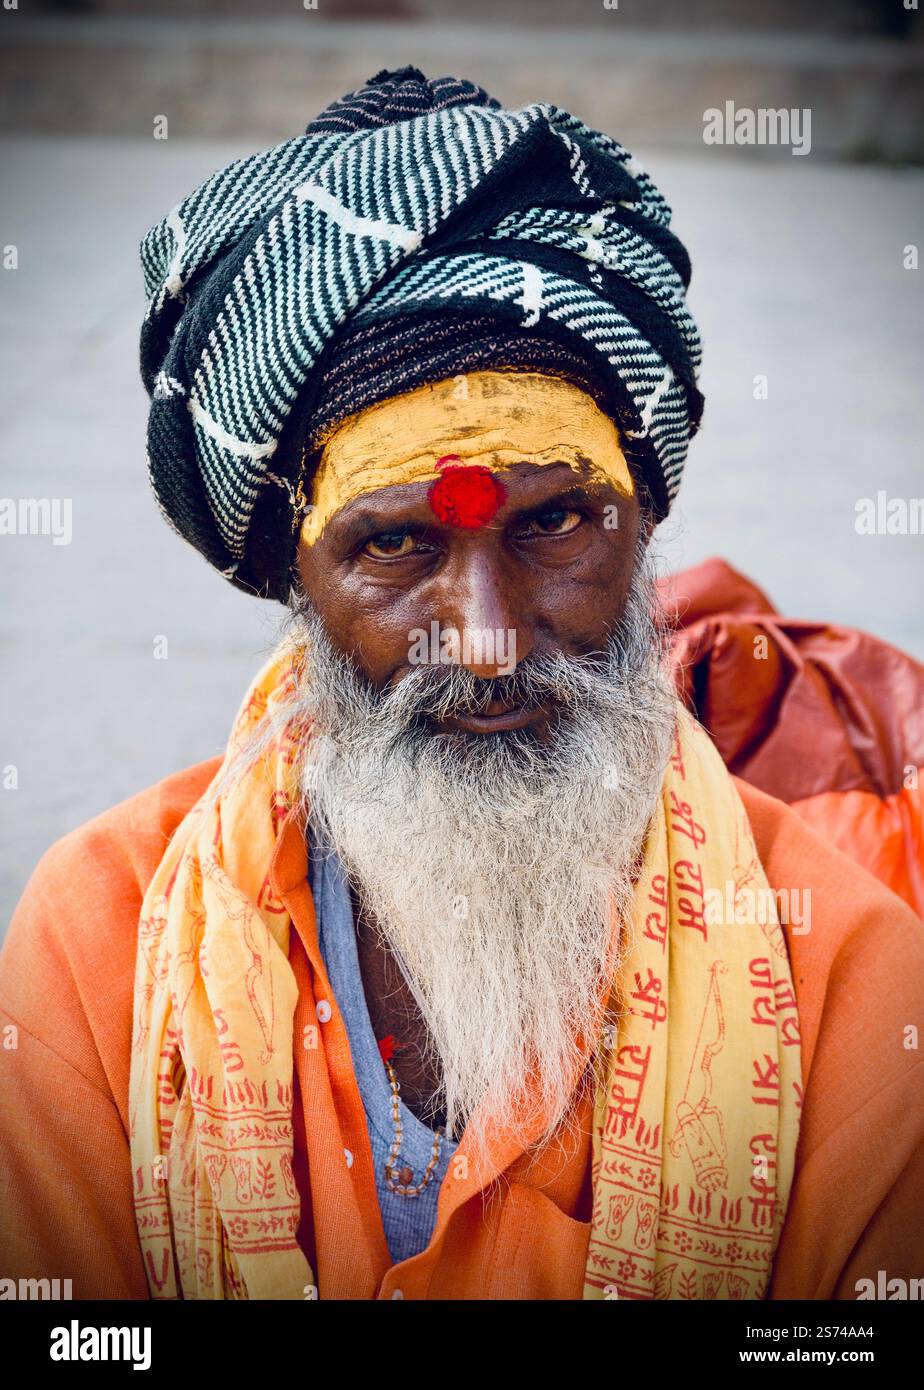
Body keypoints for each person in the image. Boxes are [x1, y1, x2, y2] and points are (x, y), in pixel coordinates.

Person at [1, 67, 922, 1303]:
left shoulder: (851, 977)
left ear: (643, 528)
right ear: (297, 582)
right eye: (394, 544)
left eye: (556, 523)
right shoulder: (95, 942)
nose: (486, 639)